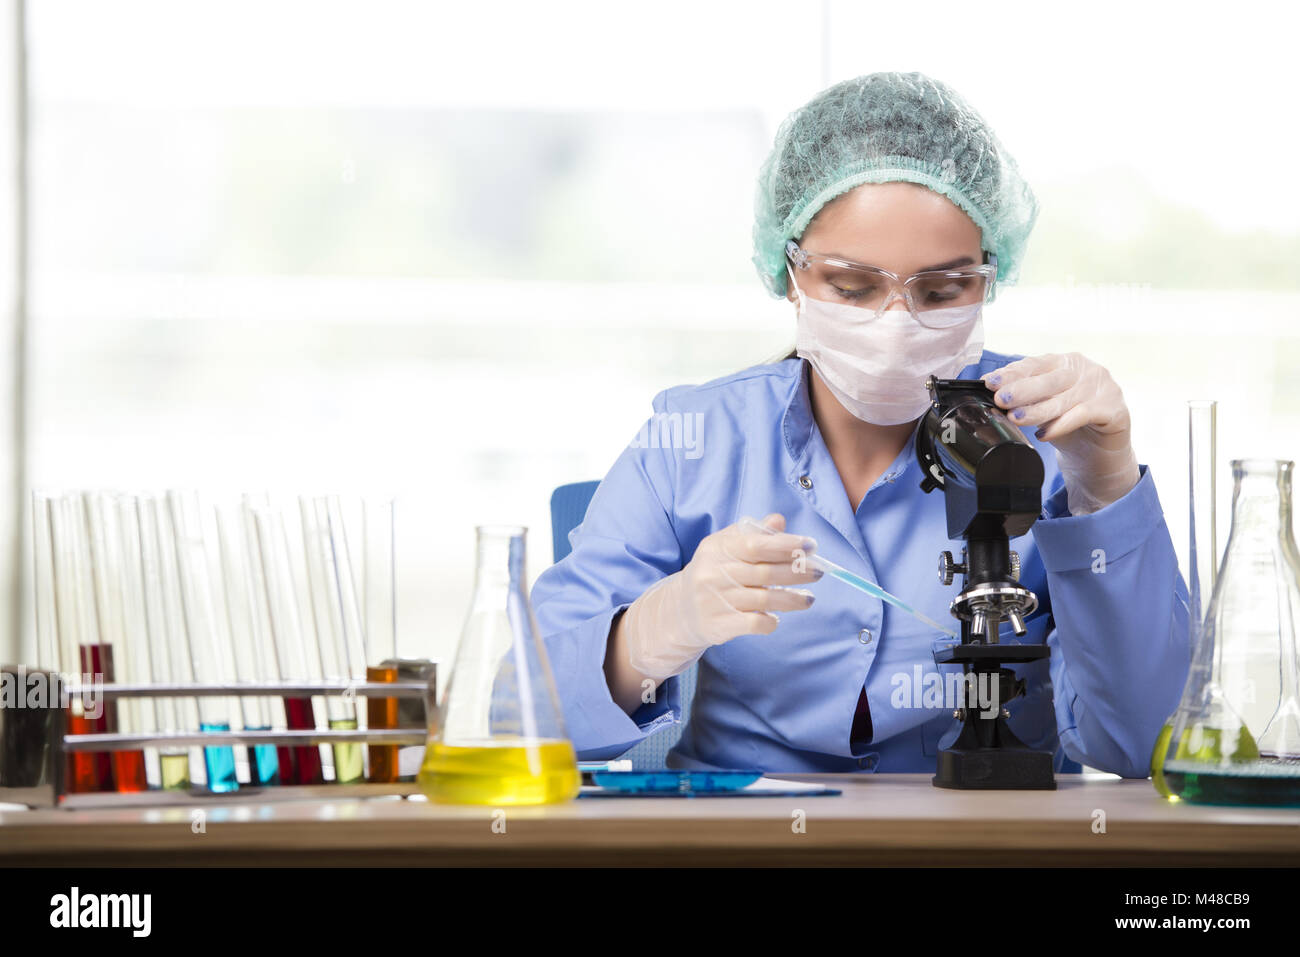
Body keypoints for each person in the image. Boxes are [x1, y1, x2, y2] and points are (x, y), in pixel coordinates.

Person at [529, 72, 1190, 775]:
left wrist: (1105, 485)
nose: (896, 324)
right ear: (789, 274)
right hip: (742, 837)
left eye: (942, 289)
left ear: (990, 278)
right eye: (852, 286)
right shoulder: (694, 441)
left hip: (991, 839)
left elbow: (1148, 745)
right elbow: (515, 712)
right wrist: (651, 632)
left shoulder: (1047, 440)